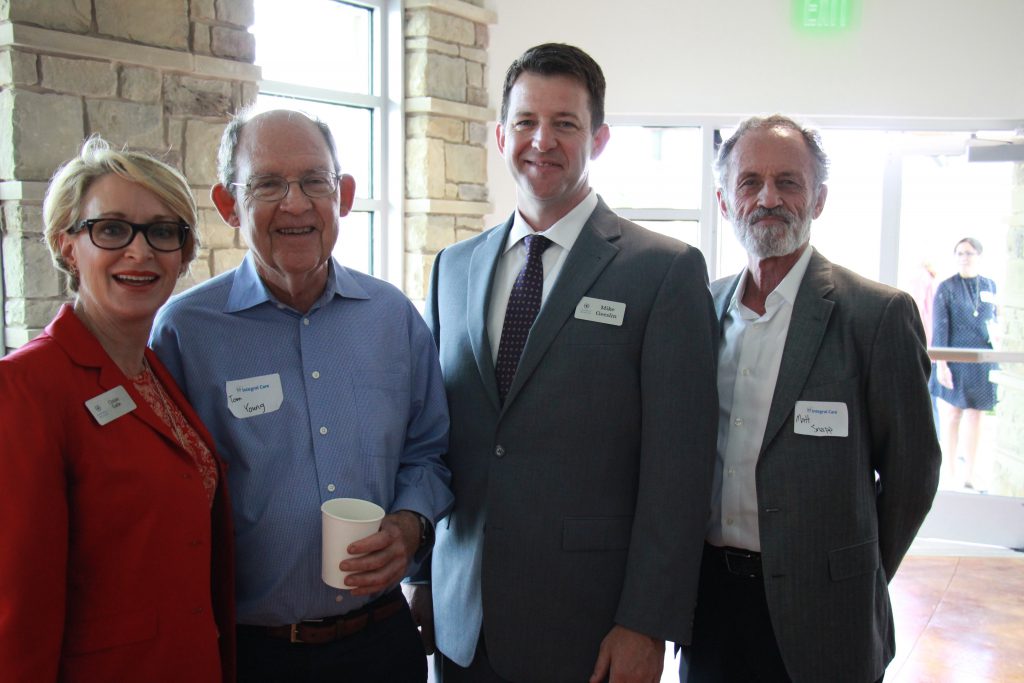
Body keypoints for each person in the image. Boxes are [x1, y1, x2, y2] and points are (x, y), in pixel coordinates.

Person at [412, 43, 719, 683]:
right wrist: (422, 575)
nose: (541, 141)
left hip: (589, 628)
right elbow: (434, 435)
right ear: (501, 135)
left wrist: (647, 622)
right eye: (525, 122)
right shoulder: (454, 268)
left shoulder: (663, 271)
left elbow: (679, 467)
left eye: (566, 124)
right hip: (461, 619)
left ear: (599, 138)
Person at [150, 109, 453, 682]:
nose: (295, 203)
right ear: (227, 204)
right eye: (267, 184)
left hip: (382, 645)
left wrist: (412, 523)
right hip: (251, 656)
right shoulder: (185, 333)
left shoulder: (393, 319)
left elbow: (429, 452)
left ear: (343, 195)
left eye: (315, 181)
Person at [682, 115, 941, 683]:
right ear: (725, 202)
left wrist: (855, 569)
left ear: (818, 199)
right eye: (749, 182)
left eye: (788, 182)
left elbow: (913, 473)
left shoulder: (875, 315)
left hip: (827, 610)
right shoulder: (699, 308)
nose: (768, 198)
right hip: (711, 605)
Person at [0, 137, 235, 682]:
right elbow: (17, 604)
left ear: (183, 252)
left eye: (162, 231)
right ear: (66, 246)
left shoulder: (155, 371)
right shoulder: (26, 387)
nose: (140, 251)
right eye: (110, 229)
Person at [929, 237, 998, 489]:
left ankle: (969, 471)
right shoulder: (947, 287)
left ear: (978, 255)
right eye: (959, 253)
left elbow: (996, 321)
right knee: (953, 414)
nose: (964, 257)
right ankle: (949, 470)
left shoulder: (990, 285)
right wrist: (942, 364)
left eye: (968, 253)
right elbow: (940, 327)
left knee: (975, 416)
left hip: (982, 360)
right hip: (955, 359)